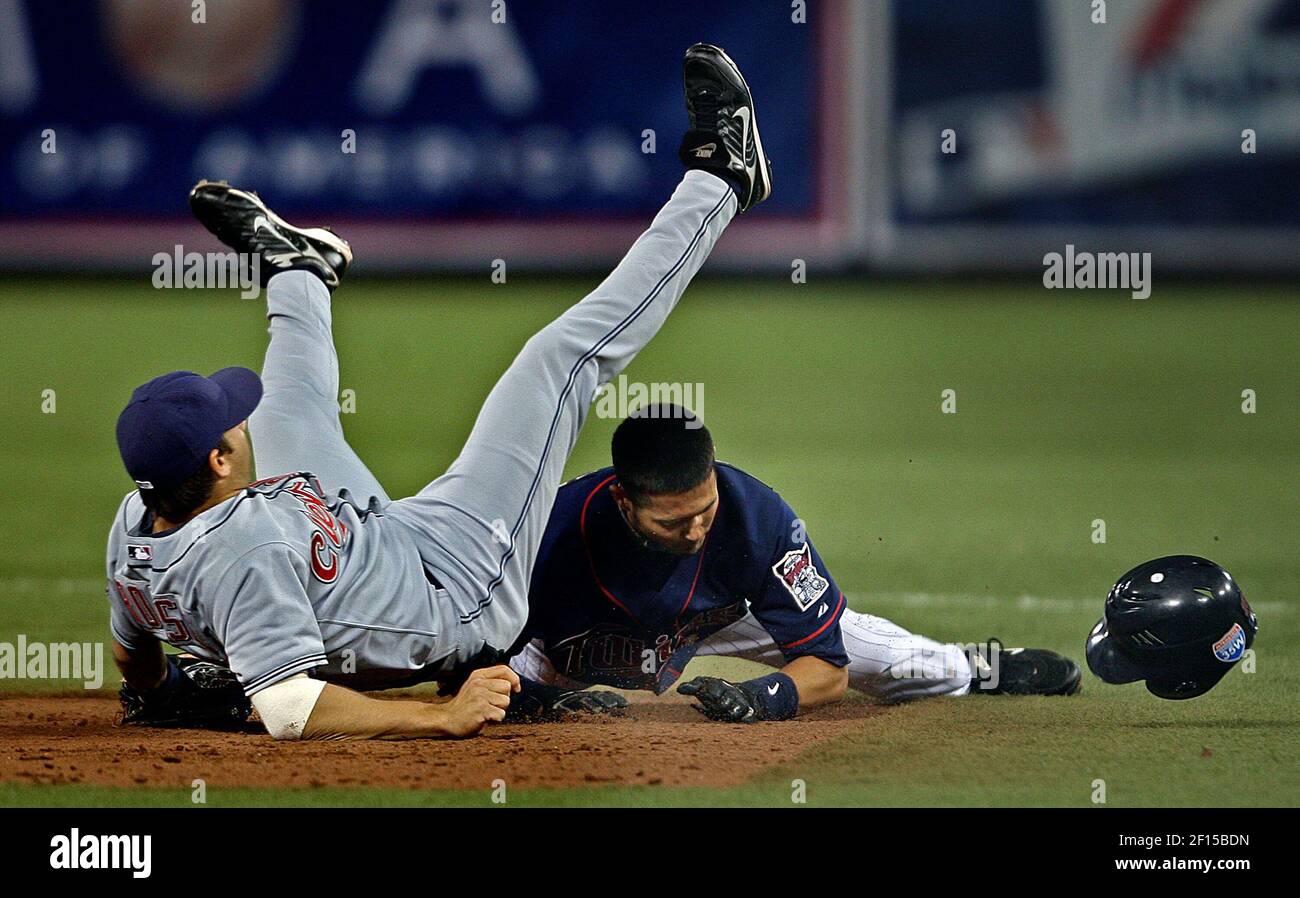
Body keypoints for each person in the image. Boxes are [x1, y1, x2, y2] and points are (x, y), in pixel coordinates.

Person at [105, 44, 773, 740]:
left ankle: (298, 270)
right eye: (227, 426)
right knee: (558, 362)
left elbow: (135, 650)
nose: (237, 423)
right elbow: (289, 709)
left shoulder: (134, 525)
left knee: (286, 405)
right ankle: (723, 180)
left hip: (367, 537)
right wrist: (440, 714)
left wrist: (157, 691)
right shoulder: (241, 554)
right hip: (456, 590)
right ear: (216, 462)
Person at [507, 407, 1083, 724]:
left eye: (703, 509)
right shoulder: (548, 533)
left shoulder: (758, 520)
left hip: (715, 613)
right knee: (515, 696)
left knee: (876, 654)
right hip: (582, 633)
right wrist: (541, 703)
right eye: (673, 523)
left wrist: (766, 696)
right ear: (624, 502)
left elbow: (828, 666)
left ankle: (972, 667)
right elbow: (476, 657)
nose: (697, 529)